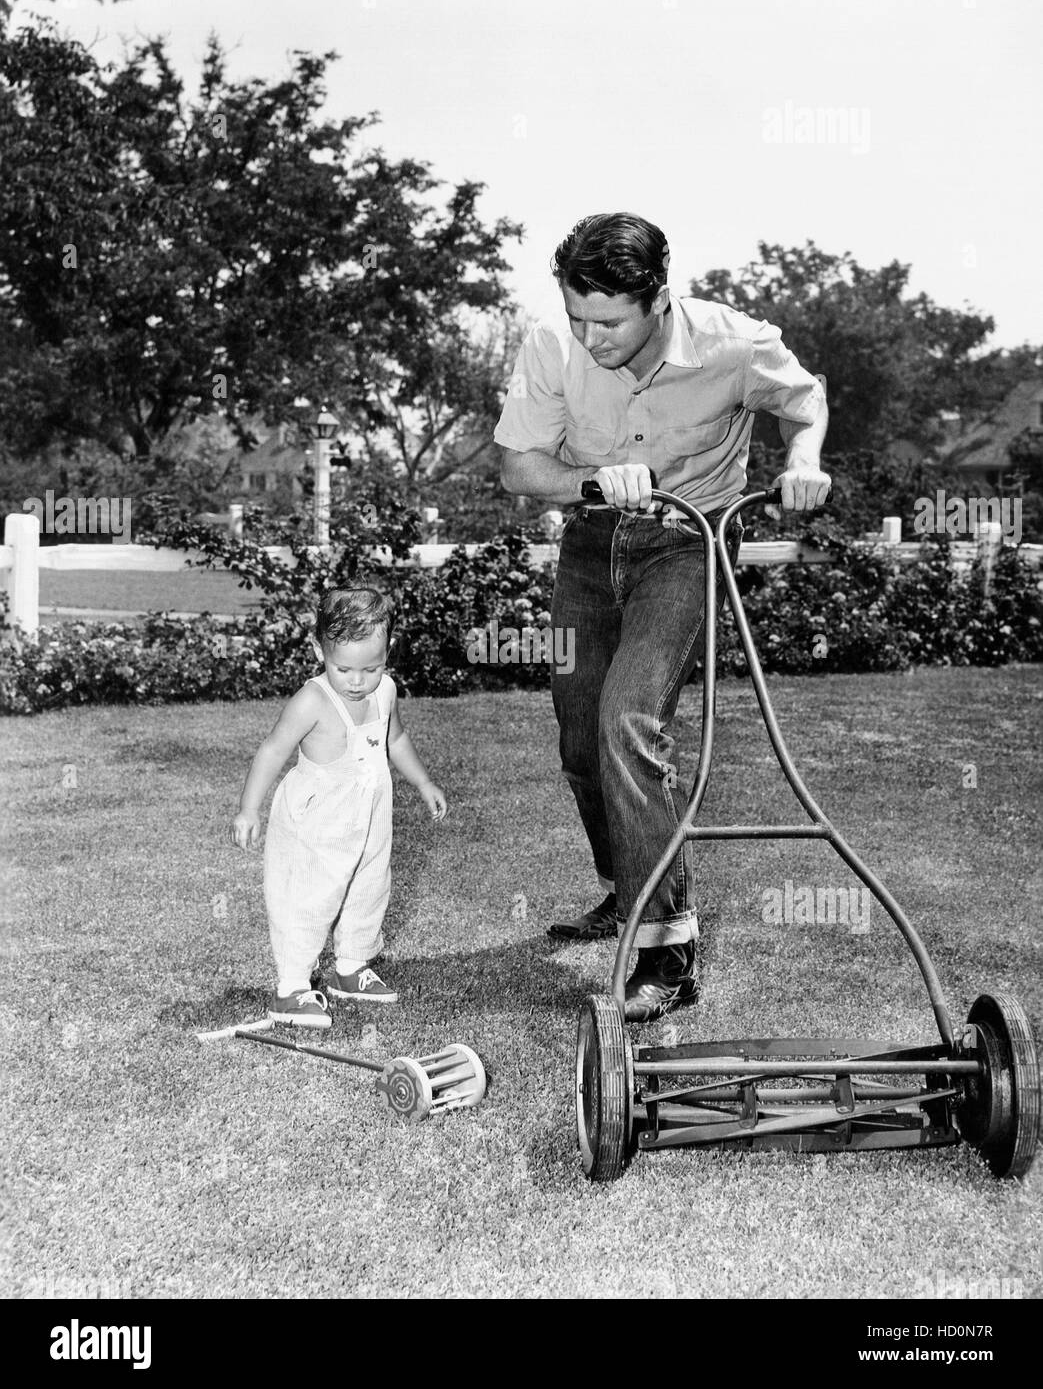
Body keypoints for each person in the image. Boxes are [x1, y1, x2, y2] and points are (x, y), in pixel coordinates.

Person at [495, 212, 830, 1022]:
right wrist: (590, 482)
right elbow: (518, 466)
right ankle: (628, 889)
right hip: (588, 546)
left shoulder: (733, 344)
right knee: (580, 744)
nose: (590, 336)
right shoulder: (550, 347)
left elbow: (804, 400)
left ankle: (667, 946)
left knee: (627, 721)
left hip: (688, 544)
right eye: (578, 317)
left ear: (656, 299)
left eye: (607, 321)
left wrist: (802, 460)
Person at [231, 587, 447, 1027]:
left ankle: (351, 966)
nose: (356, 680)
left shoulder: (385, 692)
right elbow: (273, 750)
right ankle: (291, 987)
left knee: (368, 888)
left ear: (389, 652)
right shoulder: (312, 700)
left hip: (369, 816)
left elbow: (396, 739)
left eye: (371, 667)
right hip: (316, 821)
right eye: (342, 667)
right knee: (309, 898)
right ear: (318, 650)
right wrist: (248, 809)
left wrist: (423, 781)